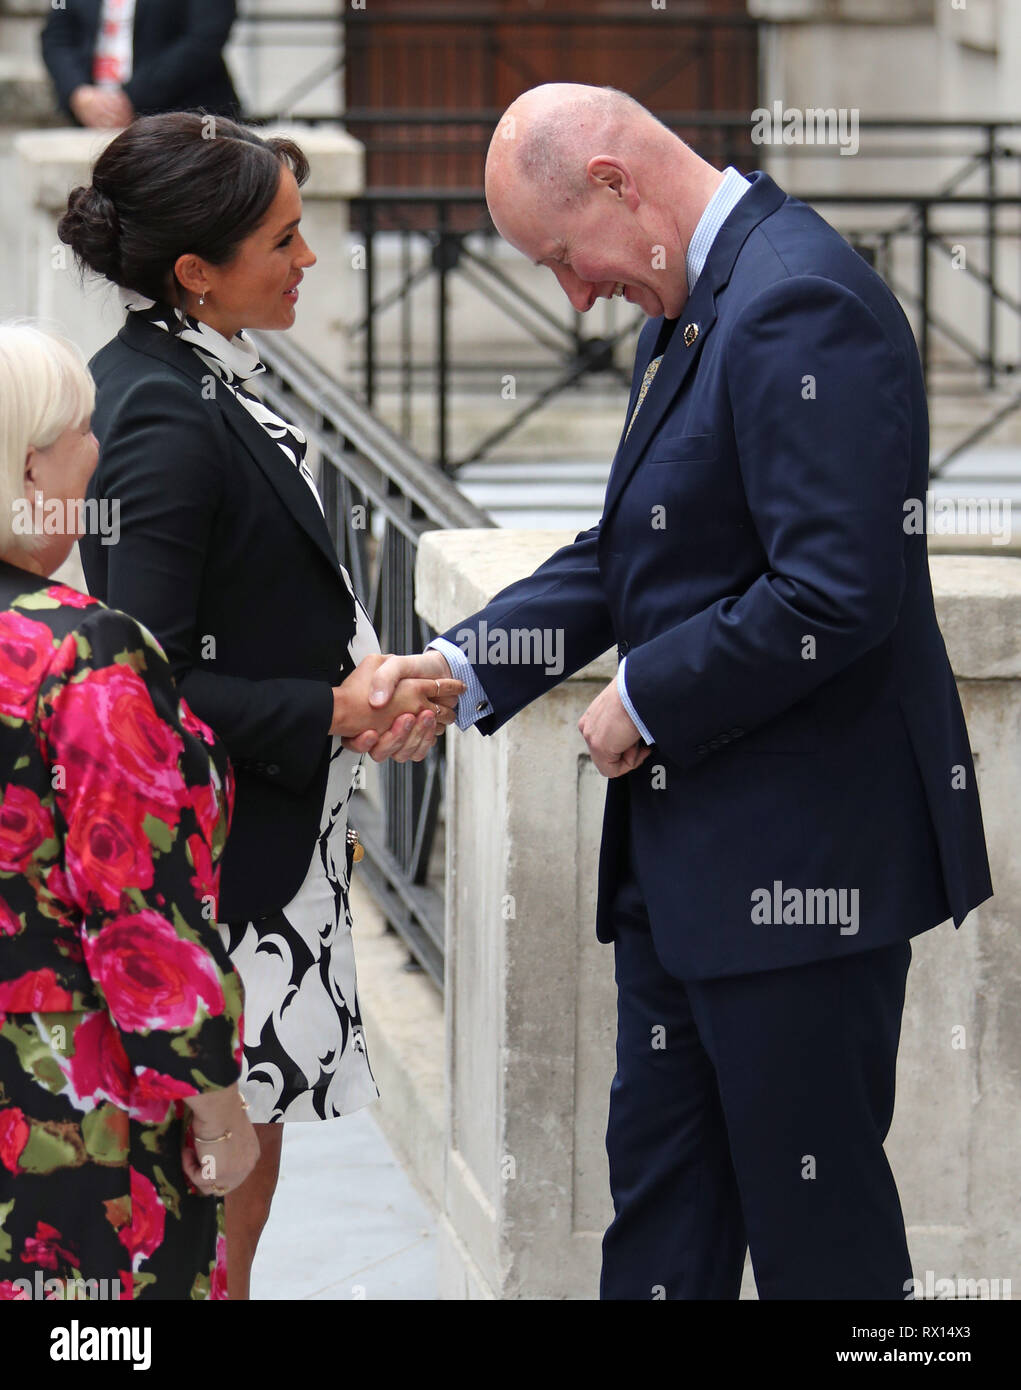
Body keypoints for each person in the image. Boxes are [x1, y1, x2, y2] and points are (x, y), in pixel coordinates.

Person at [369, 84, 994, 1300]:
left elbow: (836, 591)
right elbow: (634, 551)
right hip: (689, 874)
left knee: (827, 1254)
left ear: (614, 183)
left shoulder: (799, 303)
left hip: (803, 876)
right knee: (662, 1224)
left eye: (562, 255)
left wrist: (647, 695)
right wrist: (458, 666)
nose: (573, 293)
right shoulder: (697, 295)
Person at [59, 113, 465, 1300]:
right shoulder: (156, 414)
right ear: (195, 271)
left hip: (271, 847)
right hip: (220, 870)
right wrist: (326, 710)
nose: (311, 260)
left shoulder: (191, 370)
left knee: (250, 1143)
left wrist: (356, 694)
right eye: (285, 239)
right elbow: (140, 679)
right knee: (218, 1157)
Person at [0, 322, 259, 1301]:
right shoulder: (82, 657)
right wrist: (219, 1106)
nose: (98, 449)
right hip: (69, 1119)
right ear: (30, 466)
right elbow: (143, 915)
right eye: (79, 430)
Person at [41, 0, 241, 130]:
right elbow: (56, 37)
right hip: (91, 123)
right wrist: (79, 93)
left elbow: (206, 37)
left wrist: (129, 99)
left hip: (187, 124)